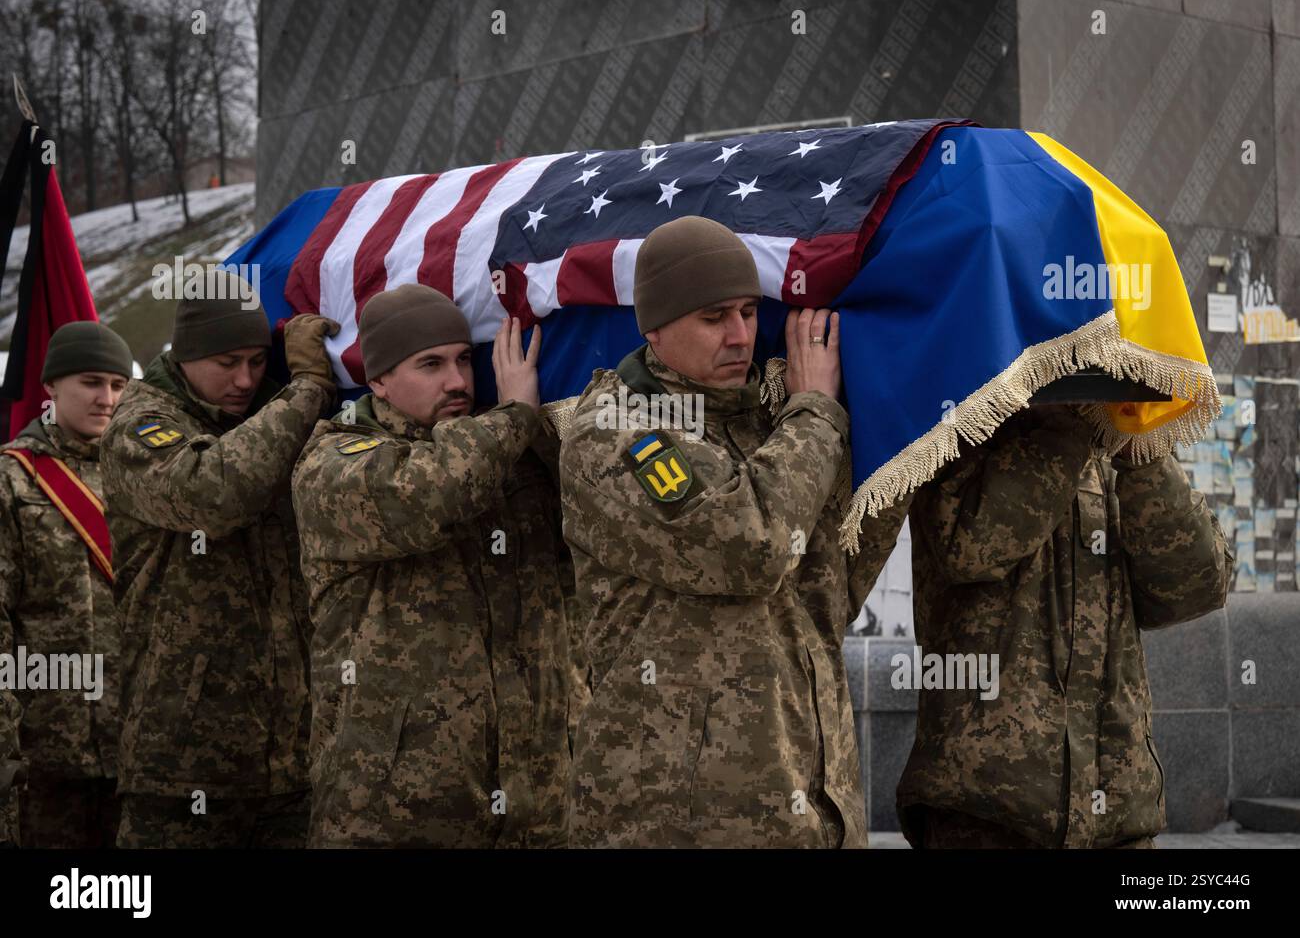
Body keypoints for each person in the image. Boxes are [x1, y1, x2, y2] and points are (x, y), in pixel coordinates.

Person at [561, 216, 908, 847]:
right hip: (677, 821)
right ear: (655, 329)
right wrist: (817, 414)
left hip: (810, 805)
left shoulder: (768, 423)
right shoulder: (616, 432)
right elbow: (752, 546)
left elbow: (827, 598)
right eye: (714, 317)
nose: (741, 335)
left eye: (749, 312)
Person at [292, 284, 577, 847]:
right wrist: (517, 413)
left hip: (538, 800)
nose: (459, 382)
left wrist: (546, 427)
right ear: (377, 381)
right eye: (431, 364)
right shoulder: (332, 462)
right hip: (395, 809)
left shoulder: (514, 456)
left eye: (466, 359)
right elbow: (427, 491)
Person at [898, 405, 1233, 848]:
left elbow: (1195, 588)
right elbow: (972, 545)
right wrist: (1072, 409)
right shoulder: (964, 418)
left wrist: (1143, 454)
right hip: (988, 816)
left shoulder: (1113, 437)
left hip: (1116, 821)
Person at [100, 275, 339, 847]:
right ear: (184, 358)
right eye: (227, 362)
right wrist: (306, 388)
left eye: (258, 361)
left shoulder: (266, 414)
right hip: (182, 757)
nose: (245, 379)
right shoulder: (140, 424)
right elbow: (214, 492)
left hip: (293, 755)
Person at [0, 321, 132, 847]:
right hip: (45, 753)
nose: (106, 399)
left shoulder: (143, 476)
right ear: (52, 386)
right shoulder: (12, 482)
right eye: (92, 382)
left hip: (138, 751)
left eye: (119, 386)